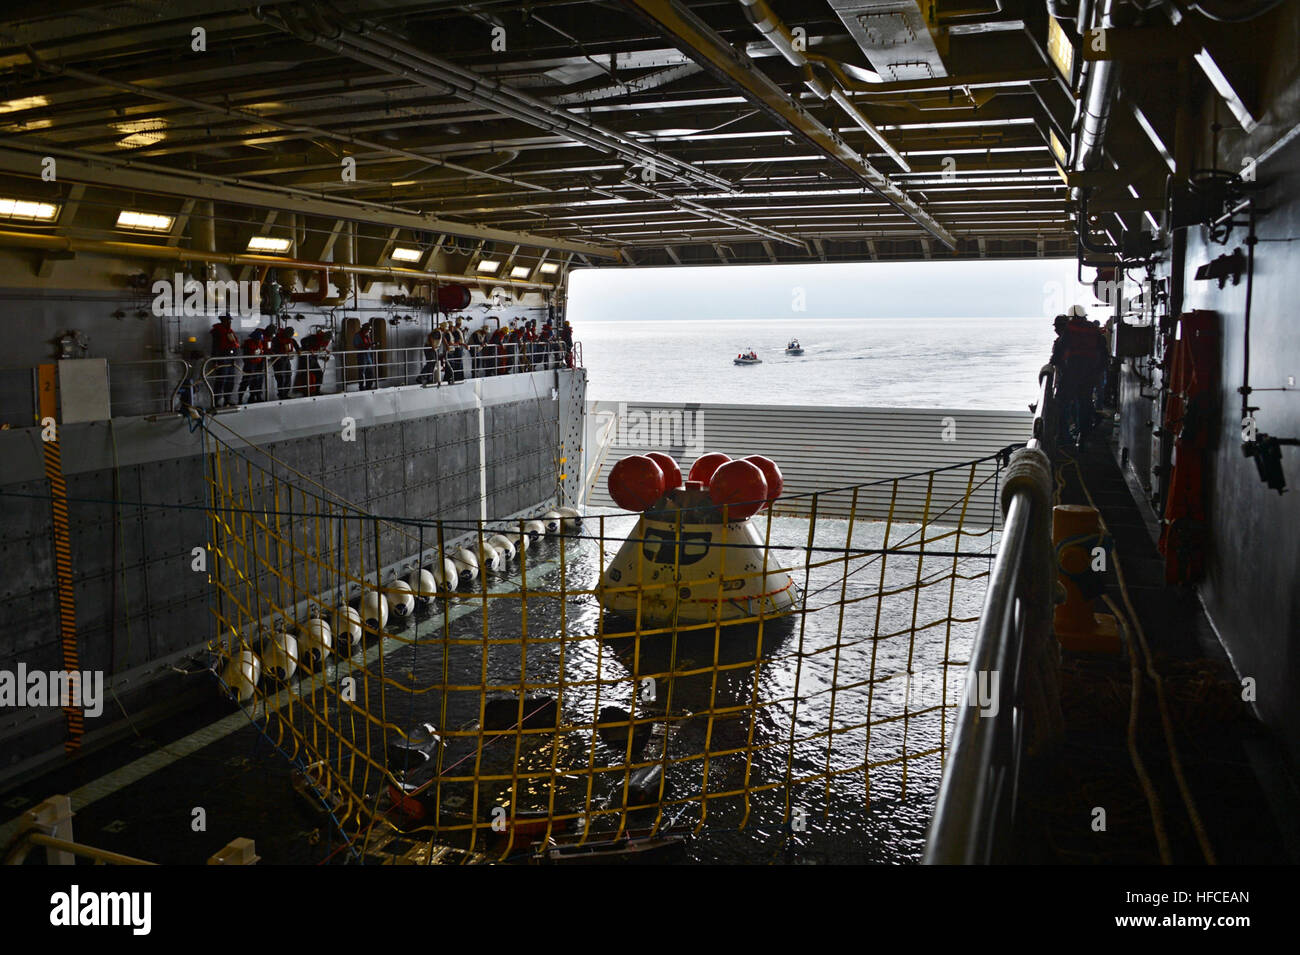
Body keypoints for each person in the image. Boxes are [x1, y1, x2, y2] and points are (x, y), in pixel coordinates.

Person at [1054, 307, 1107, 448]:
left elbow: (1059, 349)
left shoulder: (1070, 329)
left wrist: (1055, 364)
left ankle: (1063, 437)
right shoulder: (1093, 330)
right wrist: (1098, 371)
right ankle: (1084, 436)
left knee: (1061, 402)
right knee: (1085, 403)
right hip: (1090, 373)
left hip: (1073, 371)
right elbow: (1103, 352)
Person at [209, 314, 241, 408]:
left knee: (230, 381)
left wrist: (234, 359)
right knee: (221, 381)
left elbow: (234, 346)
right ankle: (216, 402)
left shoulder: (230, 332)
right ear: (223, 321)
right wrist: (215, 361)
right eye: (228, 320)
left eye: (230, 320)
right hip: (222, 359)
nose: (230, 322)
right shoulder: (217, 332)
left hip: (230, 360)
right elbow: (215, 347)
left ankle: (227, 400)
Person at [299, 329, 332, 395]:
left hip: (313, 359)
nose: (327, 340)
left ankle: (317, 391)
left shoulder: (325, 341)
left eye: (328, 339)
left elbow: (320, 348)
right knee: (306, 375)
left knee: (319, 374)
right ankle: (305, 392)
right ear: (324, 336)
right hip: (306, 358)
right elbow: (302, 341)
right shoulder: (314, 337)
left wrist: (325, 352)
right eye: (326, 339)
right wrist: (309, 349)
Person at [238, 328, 266, 404]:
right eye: (258, 339)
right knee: (245, 382)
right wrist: (250, 366)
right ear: (255, 338)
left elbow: (261, 354)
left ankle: (254, 397)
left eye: (260, 339)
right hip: (249, 366)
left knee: (257, 382)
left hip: (258, 365)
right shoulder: (248, 345)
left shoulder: (260, 345)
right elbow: (246, 357)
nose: (260, 341)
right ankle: (240, 398)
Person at [269, 325, 299, 399]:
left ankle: (286, 393)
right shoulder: (276, 339)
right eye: (290, 334)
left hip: (286, 359)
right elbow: (272, 349)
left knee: (288, 375)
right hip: (278, 360)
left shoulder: (290, 339)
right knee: (281, 378)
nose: (290, 336)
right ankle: (281, 394)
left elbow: (294, 342)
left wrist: (298, 350)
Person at [353, 319, 378, 390]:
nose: (368, 332)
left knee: (370, 371)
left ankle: (369, 386)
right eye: (368, 330)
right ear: (364, 329)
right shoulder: (357, 335)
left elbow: (368, 344)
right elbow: (356, 345)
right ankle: (361, 387)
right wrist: (367, 345)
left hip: (368, 355)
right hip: (362, 355)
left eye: (369, 331)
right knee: (361, 371)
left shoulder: (367, 335)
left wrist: (371, 344)